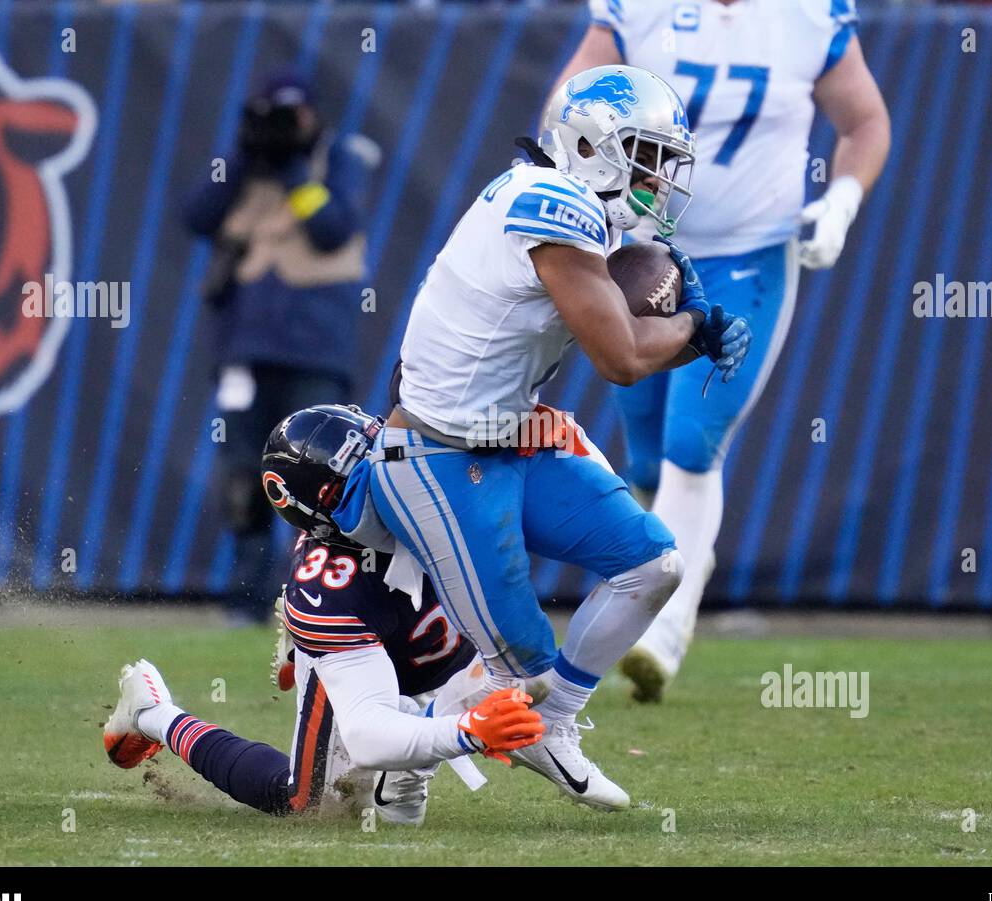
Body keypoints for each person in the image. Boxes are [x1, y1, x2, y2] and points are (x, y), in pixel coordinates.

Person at [366, 64, 751, 811]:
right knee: (521, 671)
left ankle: (556, 721)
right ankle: (406, 751)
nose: (657, 176)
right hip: (435, 458)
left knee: (656, 565)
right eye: (644, 154)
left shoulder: (566, 203)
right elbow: (622, 358)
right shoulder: (552, 203)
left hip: (508, 438)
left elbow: (633, 341)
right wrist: (697, 327)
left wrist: (686, 332)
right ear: (586, 144)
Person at [550, 0, 891, 701]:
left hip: (749, 254)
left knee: (692, 439)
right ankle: (675, 562)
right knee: (644, 452)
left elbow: (864, 121)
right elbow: (569, 100)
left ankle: (664, 626)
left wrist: (844, 199)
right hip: (642, 247)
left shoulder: (810, 15)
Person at [102, 405, 545, 825]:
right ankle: (154, 713)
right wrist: (467, 730)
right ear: (329, 514)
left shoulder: (421, 469)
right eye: (359, 480)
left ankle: (403, 718)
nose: (384, 477)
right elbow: (368, 735)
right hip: (358, 627)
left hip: (419, 632)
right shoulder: (331, 580)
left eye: (375, 452)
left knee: (505, 672)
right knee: (308, 801)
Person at [184, 73, 380, 624]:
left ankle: (326, 597)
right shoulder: (244, 165)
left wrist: (295, 167)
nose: (279, 127)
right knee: (243, 474)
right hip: (244, 348)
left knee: (320, 476)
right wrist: (246, 155)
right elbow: (195, 215)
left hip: (315, 351)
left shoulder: (342, 157)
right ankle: (247, 598)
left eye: (289, 117)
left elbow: (332, 228)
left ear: (315, 116)